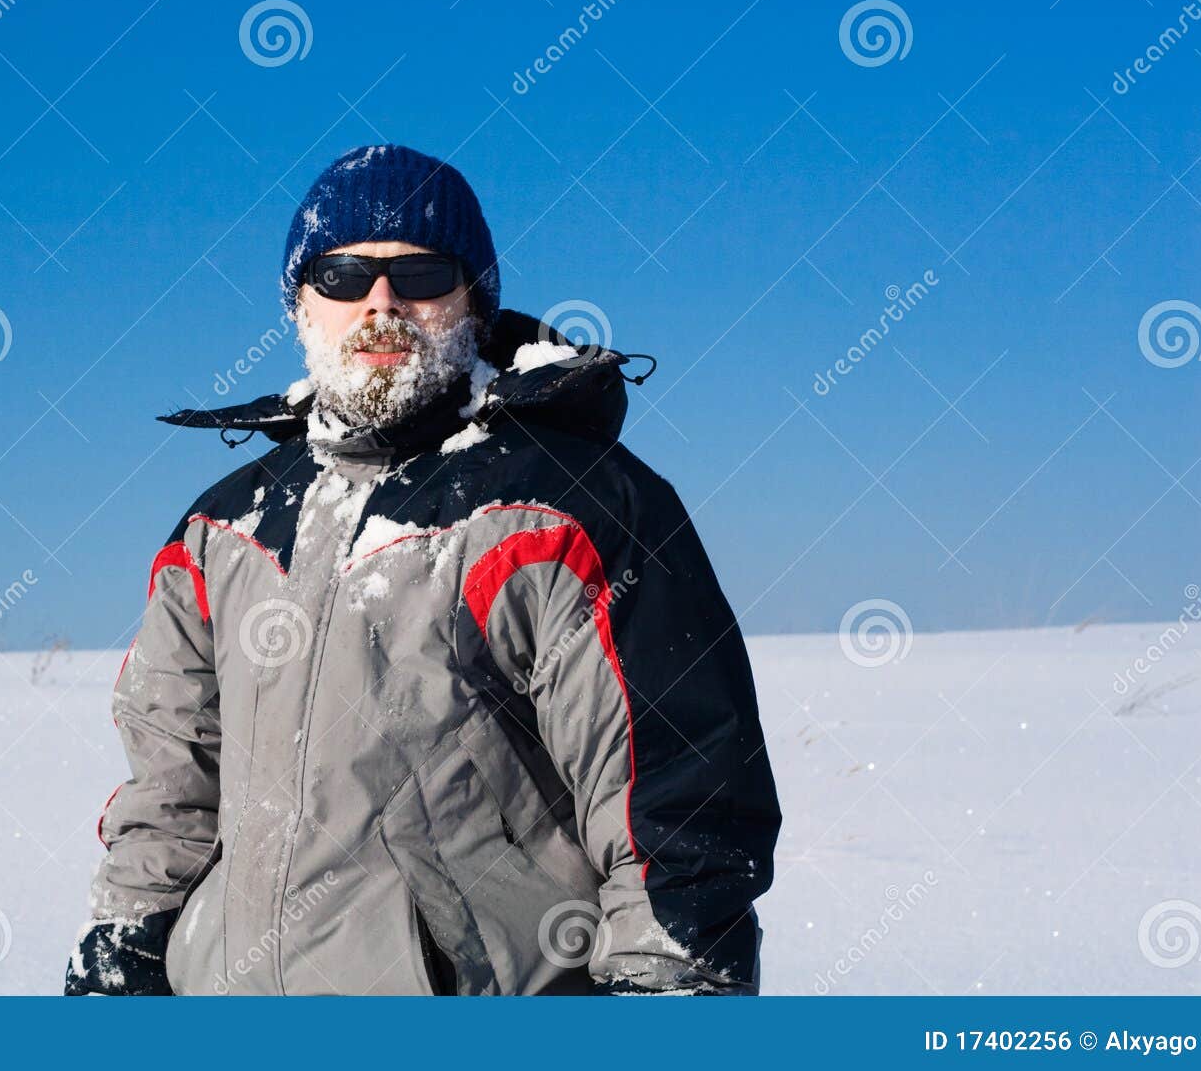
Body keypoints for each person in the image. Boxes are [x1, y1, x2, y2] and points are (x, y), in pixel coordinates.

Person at [64, 144, 781, 996]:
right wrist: (121, 947)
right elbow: (170, 791)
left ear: (474, 304)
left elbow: (680, 806)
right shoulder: (222, 529)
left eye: (421, 274)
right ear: (300, 305)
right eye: (341, 275)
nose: (381, 302)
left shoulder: (571, 508)